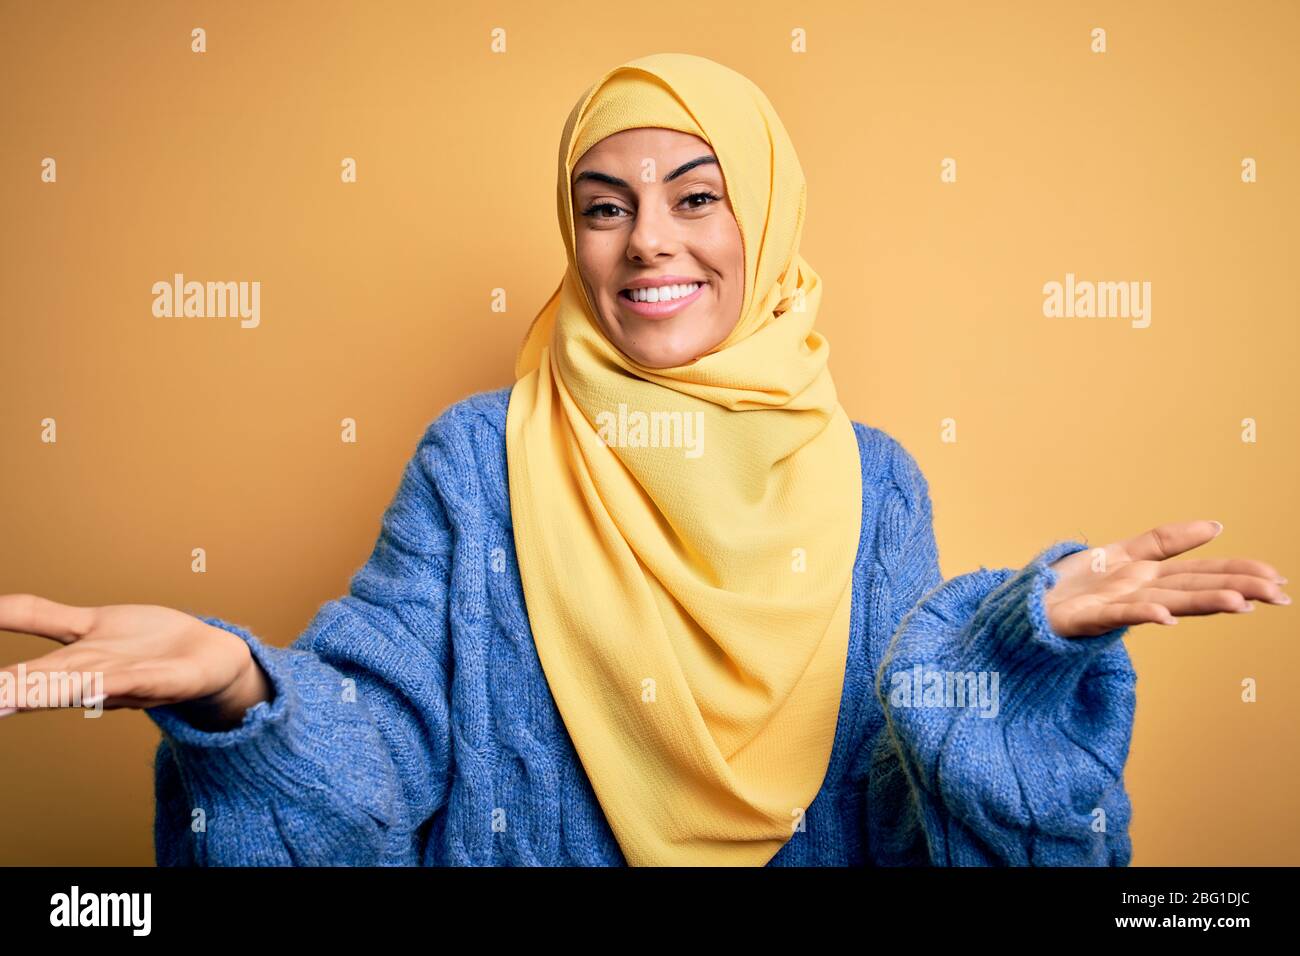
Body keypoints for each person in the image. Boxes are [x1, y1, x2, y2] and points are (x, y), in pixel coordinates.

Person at [0, 53, 1288, 867]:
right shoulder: (479, 457)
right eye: (603, 208)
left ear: (765, 217)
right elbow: (381, 752)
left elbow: (893, 808)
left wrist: (1008, 662)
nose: (648, 243)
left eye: (696, 196)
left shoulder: (875, 478)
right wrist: (239, 689)